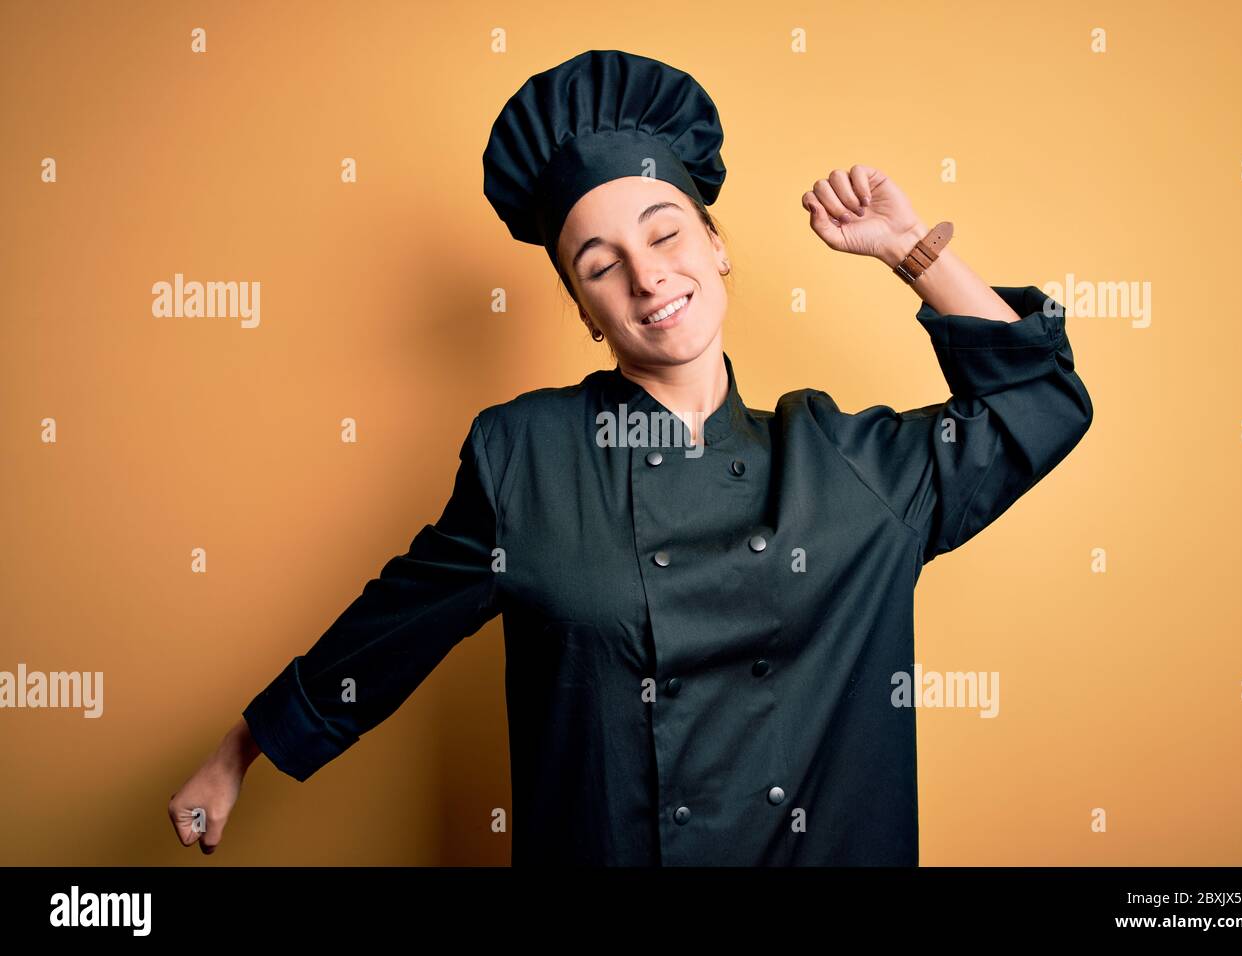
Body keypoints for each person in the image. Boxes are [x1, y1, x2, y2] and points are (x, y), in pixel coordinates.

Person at [168, 49, 1093, 865]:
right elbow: (392, 628)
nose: (647, 276)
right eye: (600, 264)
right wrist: (238, 754)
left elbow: (1039, 405)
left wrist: (911, 250)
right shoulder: (525, 457)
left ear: (717, 247)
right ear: (582, 308)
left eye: (665, 232)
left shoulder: (848, 465)